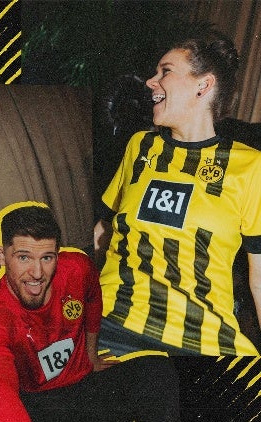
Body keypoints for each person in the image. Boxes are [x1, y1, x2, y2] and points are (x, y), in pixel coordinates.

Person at [0, 201, 182, 422]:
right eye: (24, 257)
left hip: (81, 390)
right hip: (33, 406)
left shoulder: (77, 267)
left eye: (47, 257)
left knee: (157, 370)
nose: (37, 272)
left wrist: (91, 356)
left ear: (58, 254)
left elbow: (92, 298)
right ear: (2, 255)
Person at [94, 28, 261, 356]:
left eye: (165, 72)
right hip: (114, 322)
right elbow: (104, 230)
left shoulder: (250, 165)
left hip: (206, 338)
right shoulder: (140, 146)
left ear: (203, 85)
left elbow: (259, 276)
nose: (150, 82)